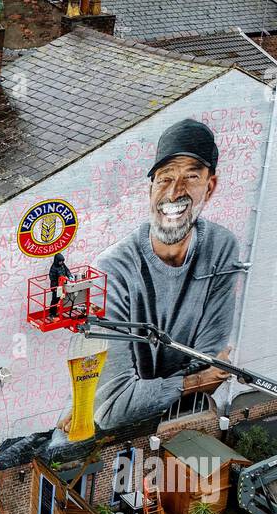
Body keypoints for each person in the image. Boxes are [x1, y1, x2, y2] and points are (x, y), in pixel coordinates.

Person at [91, 119, 244, 434]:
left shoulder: (221, 246)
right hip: (125, 435)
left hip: (180, 426)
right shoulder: (113, 268)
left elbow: (211, 358)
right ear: (151, 189)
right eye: (165, 178)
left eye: (191, 176)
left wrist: (151, 388)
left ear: (210, 186)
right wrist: (196, 380)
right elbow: (111, 408)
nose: (175, 192)